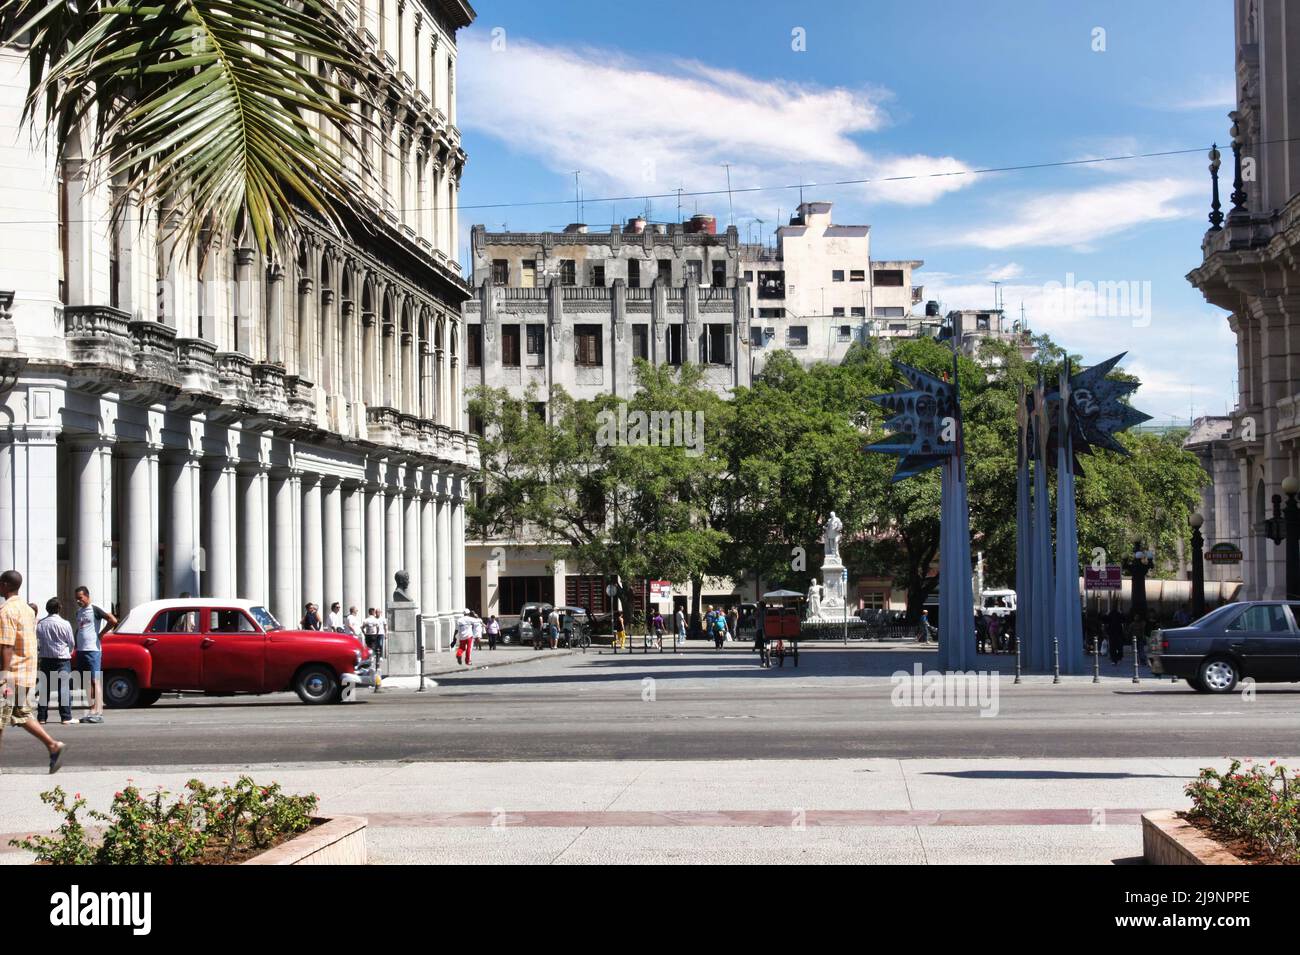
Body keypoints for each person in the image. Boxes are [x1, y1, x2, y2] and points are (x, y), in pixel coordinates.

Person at [0, 570, 67, 773]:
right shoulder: (28, 610)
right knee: (20, 713)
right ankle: (53, 745)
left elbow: (7, 646)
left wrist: (3, 676)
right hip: (26, 672)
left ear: (4, 585)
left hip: (12, 675)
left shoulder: (6, 611)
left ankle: (53, 746)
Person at [73, 585, 115, 725]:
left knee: (94, 680)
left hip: (93, 650)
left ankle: (98, 709)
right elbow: (79, 629)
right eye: (76, 599)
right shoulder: (79, 612)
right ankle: (92, 708)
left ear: (87, 596)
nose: (78, 601)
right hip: (81, 650)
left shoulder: (94, 609)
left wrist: (102, 633)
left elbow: (113, 620)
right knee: (86, 680)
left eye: (80, 598)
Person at [36, 598, 75, 725]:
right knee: (63, 689)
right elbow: (71, 642)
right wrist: (69, 651)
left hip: (46, 659)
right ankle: (65, 717)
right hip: (62, 659)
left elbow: (37, 640)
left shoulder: (40, 624)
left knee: (44, 690)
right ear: (59, 608)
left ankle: (42, 717)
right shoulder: (65, 623)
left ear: (47, 609)